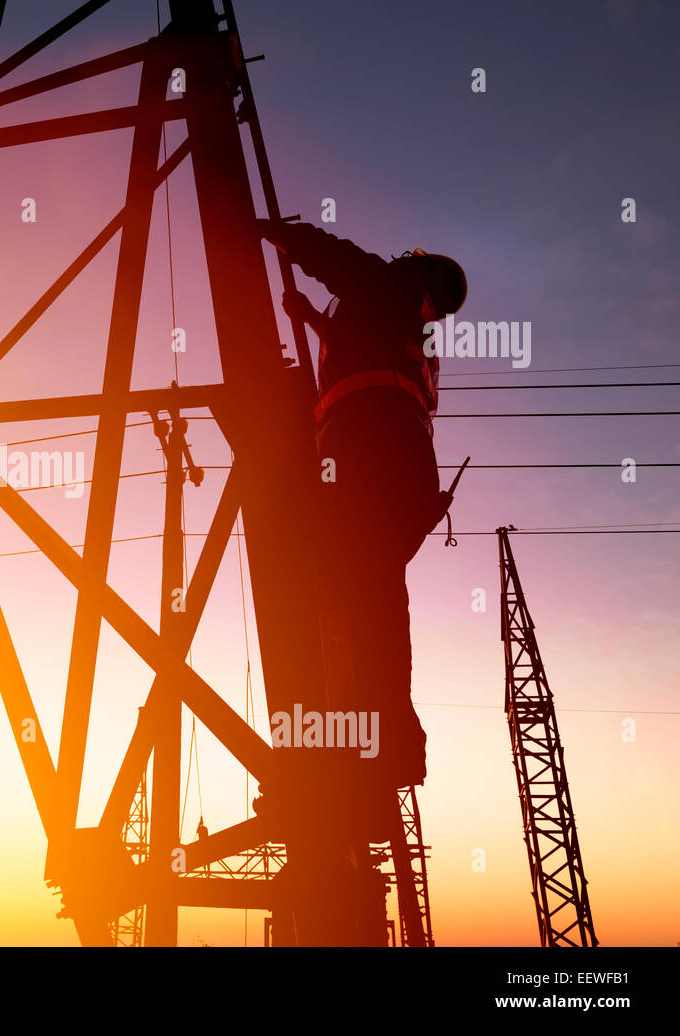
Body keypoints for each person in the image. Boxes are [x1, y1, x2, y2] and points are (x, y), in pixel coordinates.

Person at [257, 219, 466, 837]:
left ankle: (358, 746)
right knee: (373, 601)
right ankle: (376, 748)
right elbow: (363, 339)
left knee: (348, 590)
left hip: (366, 449)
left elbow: (344, 261)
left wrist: (274, 231)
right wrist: (315, 321)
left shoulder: (394, 291)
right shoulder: (408, 324)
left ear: (421, 277)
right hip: (397, 468)